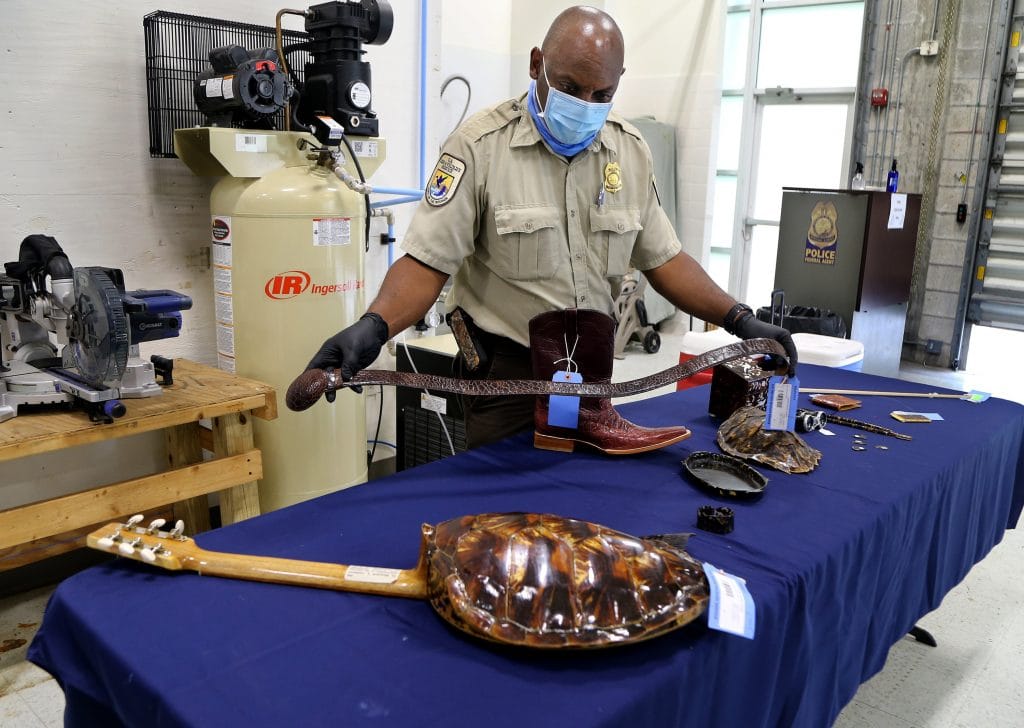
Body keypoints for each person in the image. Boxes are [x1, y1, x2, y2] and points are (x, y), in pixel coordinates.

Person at [307, 5, 796, 450]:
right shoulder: (478, 148)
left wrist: (740, 318)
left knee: (583, 517)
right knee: (504, 520)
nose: (585, 104)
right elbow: (428, 262)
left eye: (602, 93)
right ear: (536, 63)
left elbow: (664, 258)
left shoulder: (629, 150)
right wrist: (372, 327)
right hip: (507, 381)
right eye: (569, 87)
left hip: (590, 381)